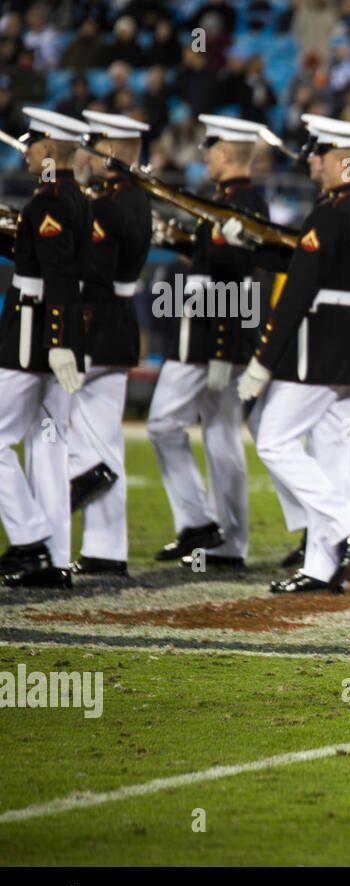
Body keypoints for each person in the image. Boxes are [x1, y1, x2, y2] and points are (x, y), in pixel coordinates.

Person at [235, 115, 350, 593]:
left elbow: (297, 292)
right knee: (335, 455)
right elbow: (312, 263)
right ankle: (326, 566)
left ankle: (349, 525)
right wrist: (257, 246)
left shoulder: (329, 211)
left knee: (274, 440)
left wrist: (262, 360)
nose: (311, 163)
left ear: (340, 160)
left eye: (318, 154)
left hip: (319, 348)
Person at [145, 114, 268, 569]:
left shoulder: (244, 202)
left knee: (163, 423)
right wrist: (180, 240)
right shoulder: (230, 199)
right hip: (211, 331)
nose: (206, 156)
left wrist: (222, 346)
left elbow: (237, 278)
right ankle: (230, 542)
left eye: (210, 149)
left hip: (209, 334)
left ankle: (199, 522)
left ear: (226, 153)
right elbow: (213, 260)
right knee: (220, 436)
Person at [0, 108, 91, 589]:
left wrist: (56, 342)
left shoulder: (50, 201)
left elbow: (54, 272)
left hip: (34, 332)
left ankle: (31, 540)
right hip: (56, 332)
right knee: (49, 446)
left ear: (51, 148)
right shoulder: (70, 196)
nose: (27, 150)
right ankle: (54, 556)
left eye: (33, 143)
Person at [65, 110, 152, 577]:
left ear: (110, 152)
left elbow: (89, 274)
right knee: (106, 438)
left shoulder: (105, 206)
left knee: (53, 415)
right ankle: (105, 549)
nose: (82, 154)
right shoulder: (136, 200)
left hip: (95, 323)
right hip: (120, 324)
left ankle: (81, 473)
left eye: (91, 145)